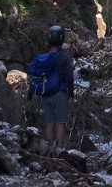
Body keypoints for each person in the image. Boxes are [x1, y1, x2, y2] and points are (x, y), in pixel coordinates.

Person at [29, 25, 74, 154]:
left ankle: (49, 148)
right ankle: (58, 150)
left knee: (49, 123)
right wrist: (70, 93)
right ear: (62, 39)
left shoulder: (42, 58)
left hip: (45, 93)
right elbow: (69, 77)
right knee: (60, 122)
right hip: (60, 93)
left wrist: (30, 95)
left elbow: (34, 77)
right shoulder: (65, 57)